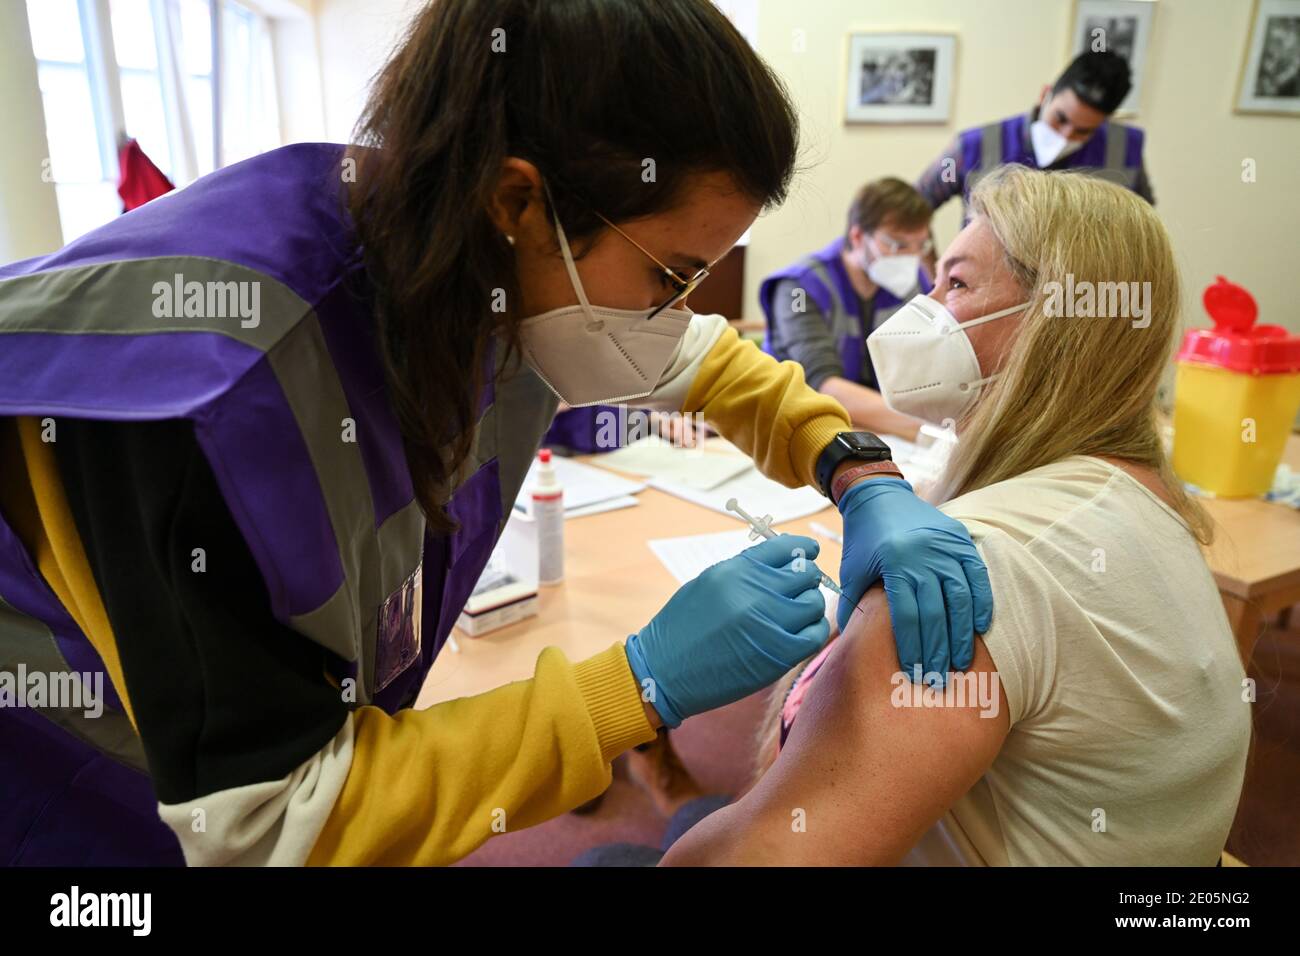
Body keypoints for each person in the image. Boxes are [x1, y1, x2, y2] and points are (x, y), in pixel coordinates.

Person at [0, 0, 990, 866]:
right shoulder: (217, 395)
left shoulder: (461, 258)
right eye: (672, 274)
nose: (681, 313)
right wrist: (632, 685)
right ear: (518, 200)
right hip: (70, 754)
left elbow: (711, 362)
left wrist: (858, 472)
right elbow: (272, 821)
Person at [602, 167, 1252, 866]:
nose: (926, 303)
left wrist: (631, 689)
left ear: (1050, 328)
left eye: (958, 283)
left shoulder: (966, 569)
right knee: (696, 819)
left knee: (611, 858)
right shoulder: (1152, 498)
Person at [759, 177, 934, 440]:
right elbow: (823, 386)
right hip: (793, 430)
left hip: (876, 430)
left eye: (920, 246)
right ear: (857, 236)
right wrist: (929, 428)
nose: (910, 257)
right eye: (897, 245)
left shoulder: (912, 285)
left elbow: (924, 370)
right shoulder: (799, 287)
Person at [915, 51, 1155, 225]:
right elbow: (909, 208)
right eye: (1060, 119)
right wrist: (933, 272)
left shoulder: (1124, 151)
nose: (1066, 135)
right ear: (1045, 95)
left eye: (1083, 131)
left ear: (1106, 120)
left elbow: (1144, 223)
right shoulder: (975, 145)